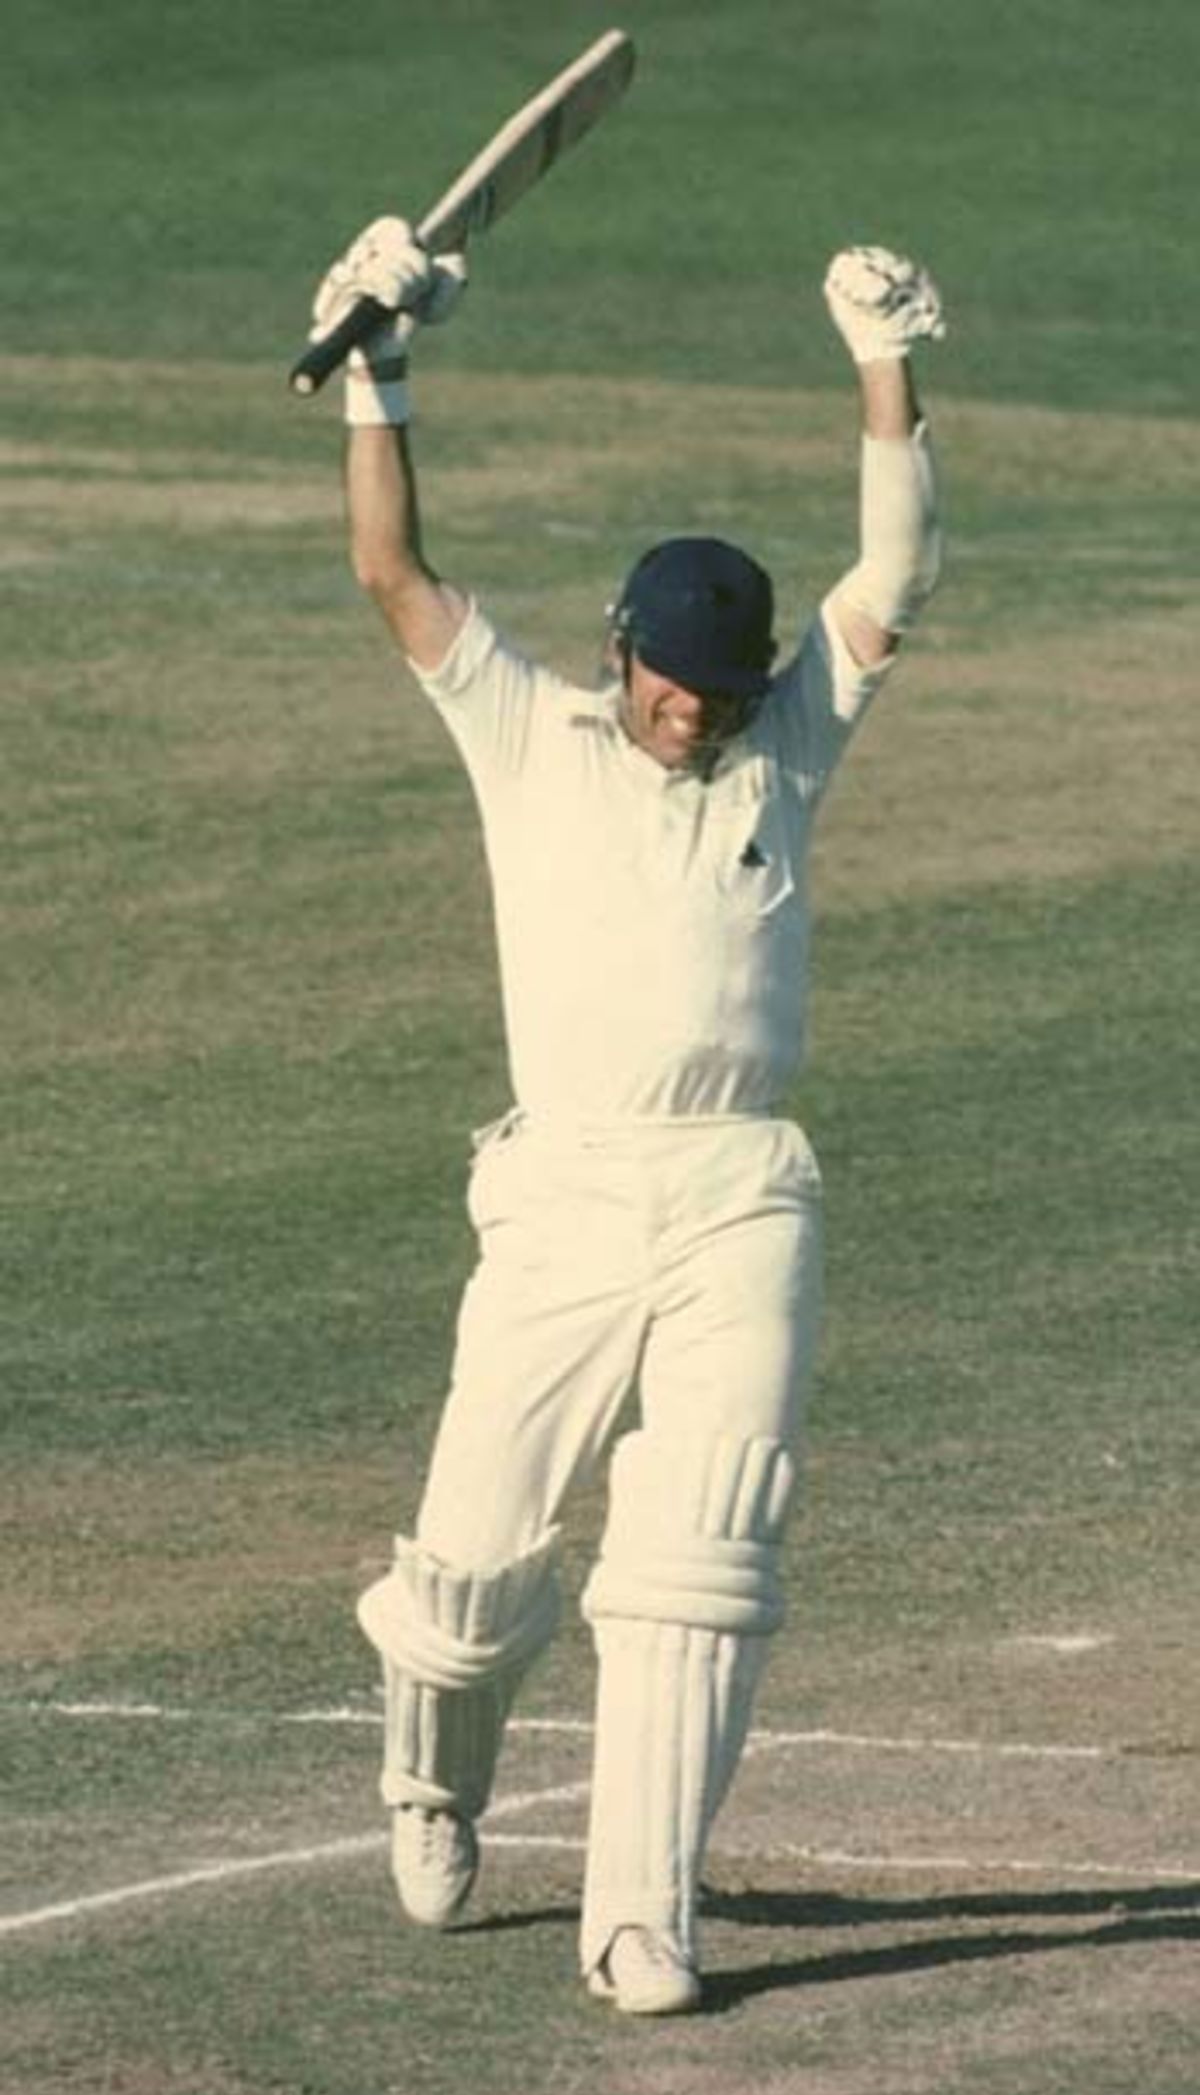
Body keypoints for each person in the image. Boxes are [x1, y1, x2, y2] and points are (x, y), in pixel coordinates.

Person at [307, 219, 945, 2015]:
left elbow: (900, 559)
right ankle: (434, 1784)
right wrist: (379, 367)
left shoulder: (786, 744)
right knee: (468, 1576)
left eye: (716, 696)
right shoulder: (534, 732)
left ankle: (641, 1916)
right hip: (566, 1193)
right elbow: (391, 571)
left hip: (742, 1189)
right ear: (622, 654)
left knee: (707, 1542)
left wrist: (885, 355)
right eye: (670, 686)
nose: (691, 715)